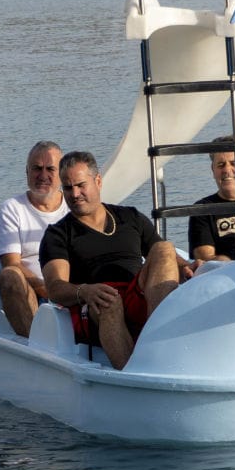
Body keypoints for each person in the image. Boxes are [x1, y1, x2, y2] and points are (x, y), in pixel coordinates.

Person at [40, 151, 191, 369]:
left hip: (137, 292)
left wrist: (188, 267)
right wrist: (84, 291)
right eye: (67, 187)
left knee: (164, 247)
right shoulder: (57, 234)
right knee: (109, 301)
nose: (75, 194)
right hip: (96, 300)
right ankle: (132, 372)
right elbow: (55, 288)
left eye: (81, 185)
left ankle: (161, 346)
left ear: (98, 181)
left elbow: (165, 258)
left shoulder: (129, 217)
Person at [0, 141, 68, 338]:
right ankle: (38, 344)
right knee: (9, 275)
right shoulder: (12, 208)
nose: (43, 175)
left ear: (61, 173)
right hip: (34, 294)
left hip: (74, 290)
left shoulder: (74, 204)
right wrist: (49, 290)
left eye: (50, 169)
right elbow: (12, 263)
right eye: (37, 168)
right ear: (26, 172)